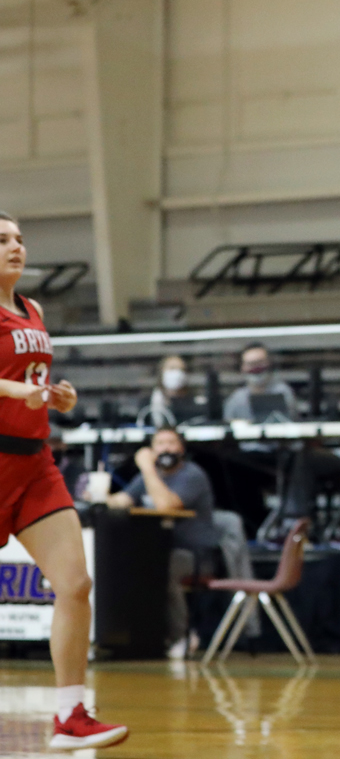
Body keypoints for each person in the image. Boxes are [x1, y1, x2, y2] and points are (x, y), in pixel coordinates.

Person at [0, 212, 128, 749]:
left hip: (35, 463)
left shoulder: (32, 308)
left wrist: (56, 395)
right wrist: (12, 392)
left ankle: (70, 715)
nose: (16, 247)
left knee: (75, 584)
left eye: (20, 239)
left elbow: (33, 378)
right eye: (2, 240)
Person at [107, 427, 221, 660]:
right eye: (160, 443)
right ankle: (133, 636)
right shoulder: (146, 478)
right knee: (131, 562)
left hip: (196, 555)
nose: (166, 448)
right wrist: (98, 498)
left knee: (161, 568)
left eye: (171, 443)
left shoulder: (192, 475)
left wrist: (148, 468)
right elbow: (123, 500)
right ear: (152, 448)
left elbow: (166, 506)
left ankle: (182, 636)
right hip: (157, 548)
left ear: (182, 449)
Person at [223, 345, 297, 423]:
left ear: (269, 363)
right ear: (242, 367)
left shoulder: (283, 392)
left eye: (260, 363)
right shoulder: (237, 398)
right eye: (251, 364)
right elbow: (228, 424)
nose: (256, 368)